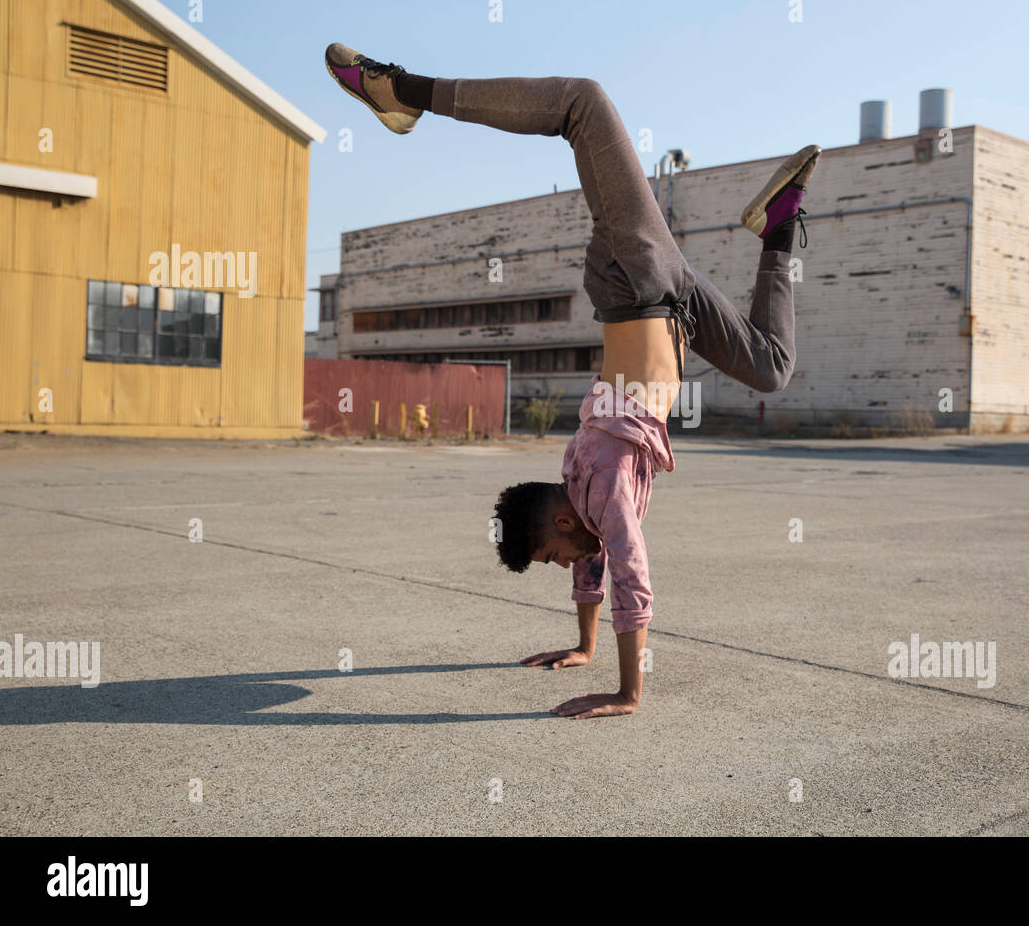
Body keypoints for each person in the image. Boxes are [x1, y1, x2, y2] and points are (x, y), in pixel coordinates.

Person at [325, 44, 820, 718]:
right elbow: (597, 563)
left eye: (553, 556)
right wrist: (583, 647)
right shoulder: (584, 493)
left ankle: (402, 90)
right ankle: (779, 224)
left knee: (582, 102)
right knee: (771, 367)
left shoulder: (603, 480)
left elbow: (630, 576)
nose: (566, 565)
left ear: (562, 517)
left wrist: (627, 692)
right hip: (673, 303)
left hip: (636, 279)